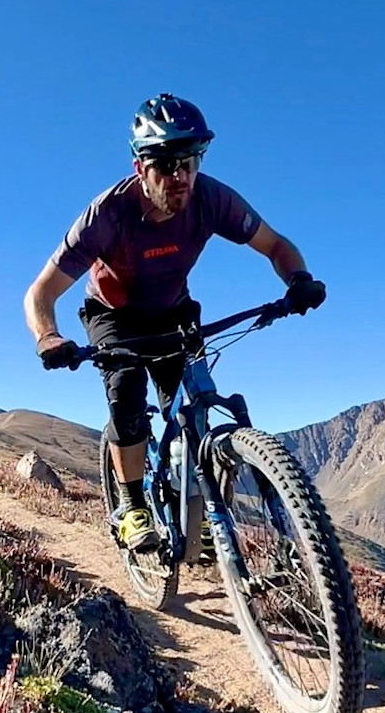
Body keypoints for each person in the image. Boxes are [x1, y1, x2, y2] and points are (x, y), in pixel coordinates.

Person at [24, 93, 326, 552]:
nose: (180, 175)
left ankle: (202, 509)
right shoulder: (107, 216)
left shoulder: (212, 199)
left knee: (196, 405)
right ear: (140, 167)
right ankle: (130, 506)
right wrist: (48, 335)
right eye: (166, 164)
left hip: (174, 311)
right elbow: (40, 292)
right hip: (114, 316)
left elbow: (278, 246)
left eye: (191, 161)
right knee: (127, 394)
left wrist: (299, 279)